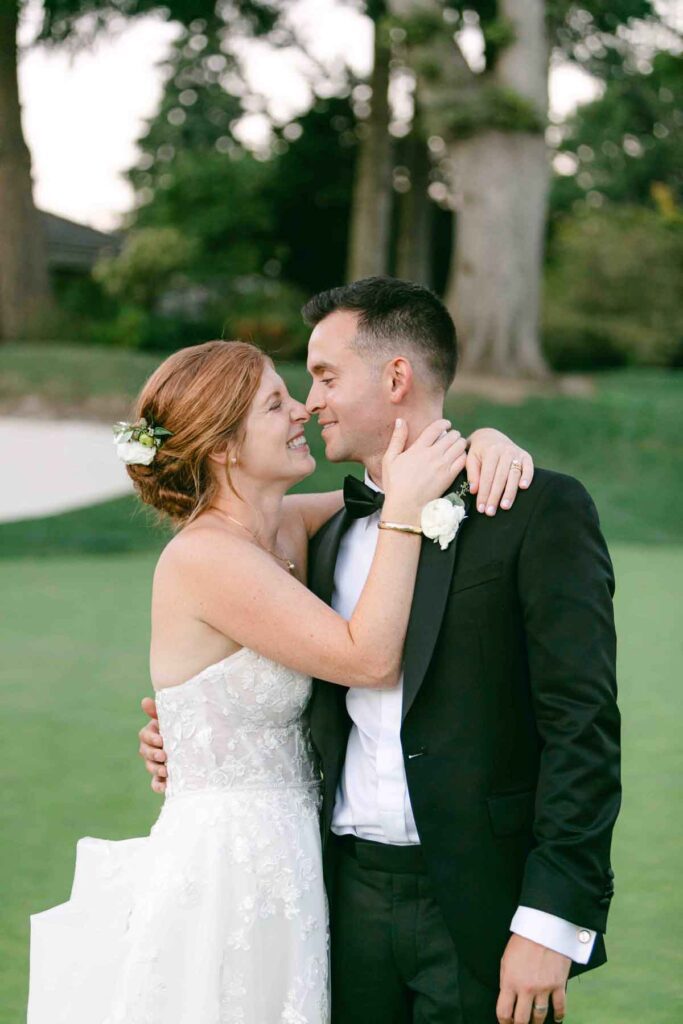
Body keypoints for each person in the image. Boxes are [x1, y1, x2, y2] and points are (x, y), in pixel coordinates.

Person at [142, 277, 620, 1024]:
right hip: (333, 902)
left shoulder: (530, 510)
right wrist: (186, 737)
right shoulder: (318, 539)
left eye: (323, 376)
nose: (308, 402)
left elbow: (581, 727)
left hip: (481, 907)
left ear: (395, 376)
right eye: (290, 393)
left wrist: (550, 921)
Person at [28, 332, 531, 1024]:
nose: (301, 410)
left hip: (302, 852)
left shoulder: (289, 525)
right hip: (229, 866)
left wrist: (484, 443)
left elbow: (389, 489)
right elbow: (367, 658)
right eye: (275, 403)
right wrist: (409, 518)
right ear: (224, 446)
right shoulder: (203, 558)